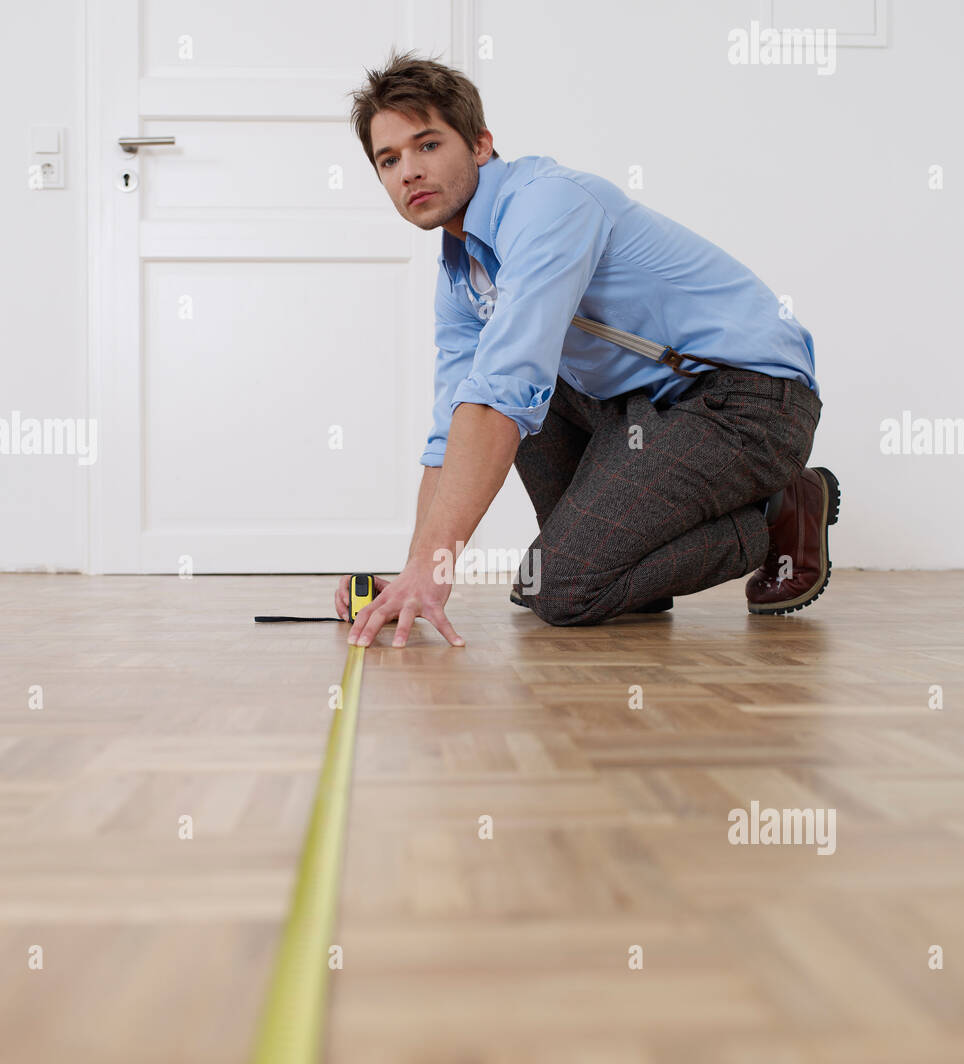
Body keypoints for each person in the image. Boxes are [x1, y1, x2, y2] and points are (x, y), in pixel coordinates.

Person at [338, 48, 839, 649]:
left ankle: (776, 514)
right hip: (640, 407)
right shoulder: (460, 272)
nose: (408, 172)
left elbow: (504, 393)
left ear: (479, 145)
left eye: (427, 145)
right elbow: (454, 427)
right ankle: (624, 567)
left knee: (562, 588)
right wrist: (418, 572)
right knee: (557, 561)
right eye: (388, 160)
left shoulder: (548, 204)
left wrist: (429, 571)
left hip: (747, 399)